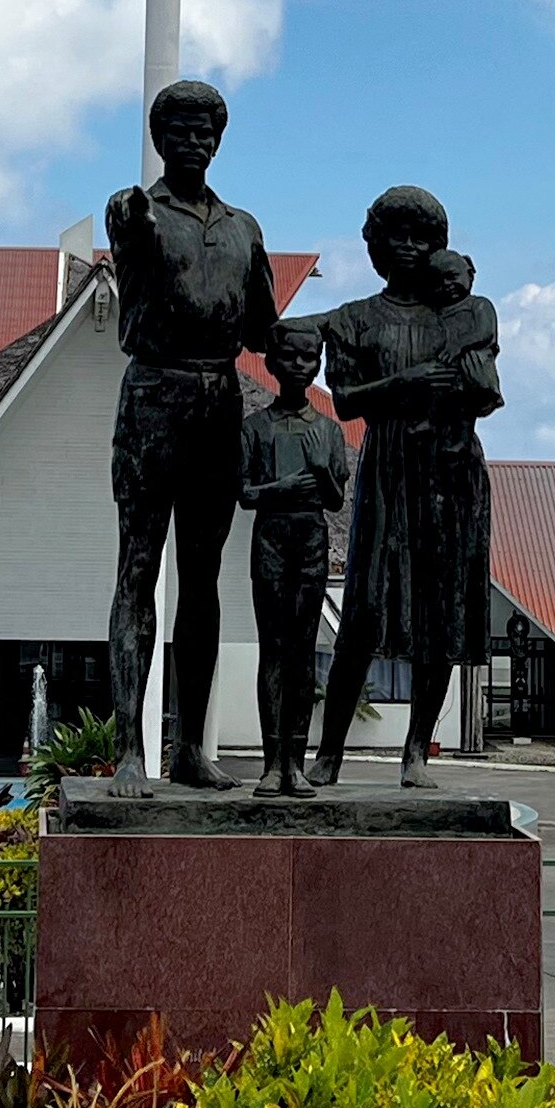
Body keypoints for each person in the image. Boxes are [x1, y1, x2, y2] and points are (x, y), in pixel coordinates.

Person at [101, 78, 278, 789]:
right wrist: (129, 224)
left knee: (204, 582)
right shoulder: (139, 211)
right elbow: (128, 230)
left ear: (219, 141)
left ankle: (188, 750)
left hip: (218, 400)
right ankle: (129, 752)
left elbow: (266, 330)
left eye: (206, 131)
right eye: (180, 131)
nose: (194, 142)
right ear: (160, 139)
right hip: (154, 394)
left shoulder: (242, 228)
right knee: (138, 570)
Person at [301, 187, 501, 788]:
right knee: (362, 608)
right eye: (398, 237)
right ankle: (329, 753)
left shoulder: (460, 310)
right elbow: (345, 401)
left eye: (422, 238)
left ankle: (416, 750)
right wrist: (411, 381)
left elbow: (485, 391)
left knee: (439, 612)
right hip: (388, 466)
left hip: (451, 469)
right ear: (377, 246)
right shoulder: (360, 318)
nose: (410, 248)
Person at [235, 330, 351, 800]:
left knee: (303, 653)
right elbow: (245, 494)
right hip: (271, 536)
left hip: (310, 538)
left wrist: (318, 477)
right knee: (273, 650)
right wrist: (285, 488)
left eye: (310, 357)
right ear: (274, 364)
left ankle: (296, 764)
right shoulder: (255, 428)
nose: (302, 365)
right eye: (292, 356)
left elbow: (337, 497)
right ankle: (271, 762)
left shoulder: (327, 430)